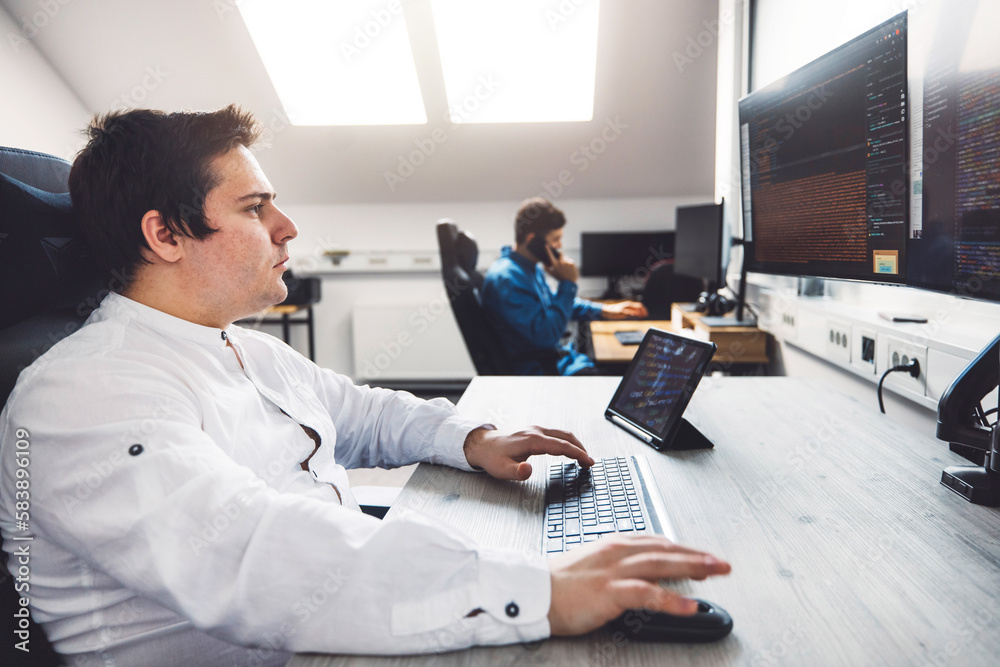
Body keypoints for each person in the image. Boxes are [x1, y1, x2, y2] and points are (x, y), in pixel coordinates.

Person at [0, 107, 730, 665]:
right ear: (165, 235)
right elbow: (254, 551)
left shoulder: (239, 346)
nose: (287, 227)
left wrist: (472, 438)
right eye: (254, 207)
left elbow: (364, 412)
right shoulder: (81, 394)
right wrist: (541, 589)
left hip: (335, 630)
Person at [481, 198, 649, 375]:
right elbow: (546, 336)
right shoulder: (508, 279)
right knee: (629, 373)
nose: (559, 246)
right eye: (555, 239)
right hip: (542, 370)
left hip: (557, 360)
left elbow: (555, 305)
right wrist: (567, 283)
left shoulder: (528, 268)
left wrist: (605, 310)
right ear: (532, 240)